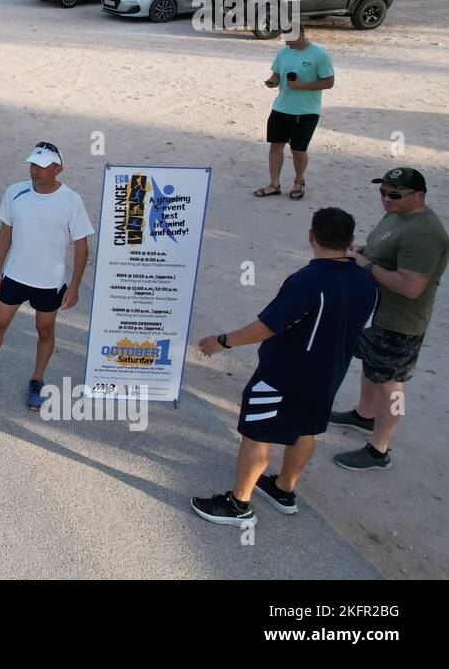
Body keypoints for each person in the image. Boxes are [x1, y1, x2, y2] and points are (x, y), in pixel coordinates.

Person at [190, 208, 378, 526]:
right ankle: (284, 490)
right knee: (306, 430)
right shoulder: (366, 282)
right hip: (328, 375)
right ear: (350, 241)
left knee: (256, 434)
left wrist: (223, 341)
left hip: (282, 375)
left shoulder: (308, 280)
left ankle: (239, 505)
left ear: (310, 236)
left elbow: (268, 326)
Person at [0, 141, 93, 409]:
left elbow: (82, 247)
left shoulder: (72, 201)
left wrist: (75, 286)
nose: (35, 170)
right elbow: (4, 233)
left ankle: (37, 379)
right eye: (33, 164)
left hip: (50, 283)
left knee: (45, 331)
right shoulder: (15, 192)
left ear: (58, 169)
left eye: (42, 166)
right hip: (14, 276)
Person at [330, 168, 446, 471]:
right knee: (372, 369)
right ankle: (364, 416)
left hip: (399, 323)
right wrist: (364, 252)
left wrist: (366, 265)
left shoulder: (424, 234)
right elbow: (385, 251)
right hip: (376, 314)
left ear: (418, 196)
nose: (385, 199)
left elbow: (411, 287)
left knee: (391, 384)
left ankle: (379, 451)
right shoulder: (396, 215)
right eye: (382, 191)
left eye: (394, 194)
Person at [253, 27, 334, 201]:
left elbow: (329, 82)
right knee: (275, 146)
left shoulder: (319, 55)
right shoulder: (283, 52)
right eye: (285, 39)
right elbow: (276, 74)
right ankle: (274, 184)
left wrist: (302, 86)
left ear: (302, 34)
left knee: (298, 151)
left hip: (306, 111)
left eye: (290, 39)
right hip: (281, 108)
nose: (287, 43)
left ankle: (299, 181)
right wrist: (272, 81)